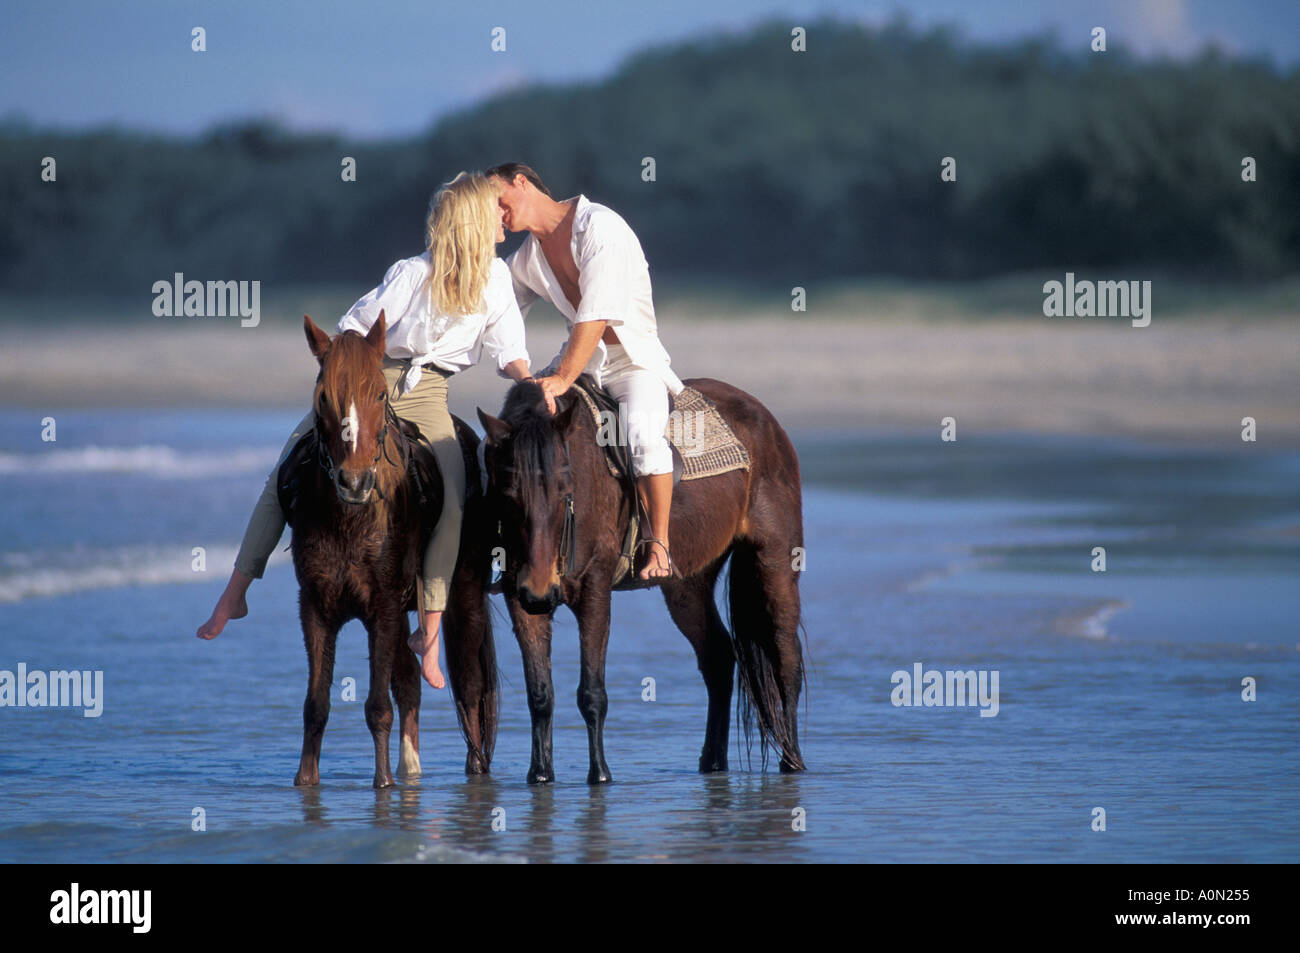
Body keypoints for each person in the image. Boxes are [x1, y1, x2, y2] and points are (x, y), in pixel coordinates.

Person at [197, 172, 532, 689]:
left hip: (429, 394)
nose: (503, 220)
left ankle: (430, 630)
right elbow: (352, 327)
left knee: (455, 497)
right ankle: (234, 592)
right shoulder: (411, 273)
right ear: (470, 222)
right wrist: (353, 385)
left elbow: (509, 352)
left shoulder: (496, 279)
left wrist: (534, 384)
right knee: (286, 472)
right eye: (494, 212)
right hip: (371, 380)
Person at [486, 162, 681, 580]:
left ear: (522, 181)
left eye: (499, 201)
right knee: (519, 426)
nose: (496, 212)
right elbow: (498, 310)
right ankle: (510, 552)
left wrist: (560, 379)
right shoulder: (528, 257)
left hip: (632, 362)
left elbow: (594, 317)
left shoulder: (599, 226)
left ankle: (660, 545)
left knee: (643, 435)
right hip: (583, 364)